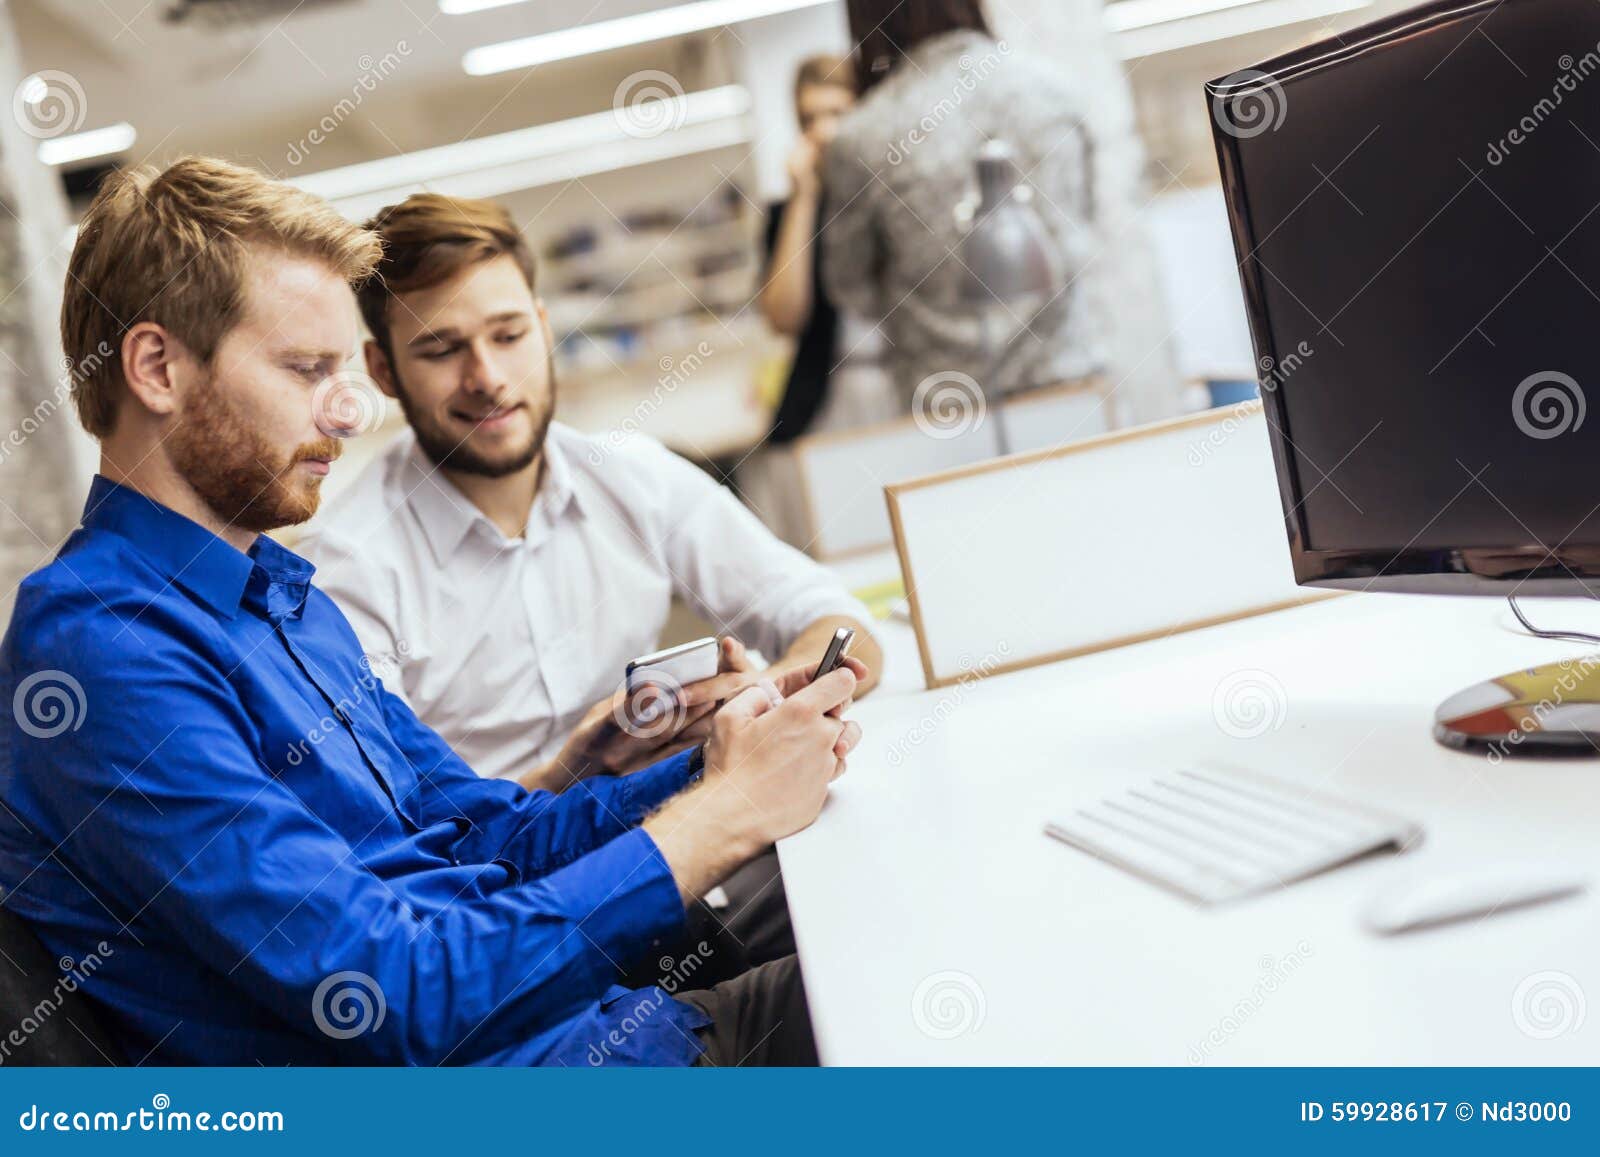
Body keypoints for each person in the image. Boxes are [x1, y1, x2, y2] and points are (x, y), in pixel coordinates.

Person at [0, 156, 864, 1067]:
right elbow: (392, 987)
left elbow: (487, 833)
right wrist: (728, 810)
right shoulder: (103, 652)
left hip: (612, 1036)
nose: (347, 413)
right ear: (155, 367)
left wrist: (720, 762)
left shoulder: (281, 602)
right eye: (305, 369)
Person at [296, 192, 883, 793]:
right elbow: (390, 815)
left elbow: (843, 626)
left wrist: (760, 697)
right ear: (384, 370)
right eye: (441, 349)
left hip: (675, 832)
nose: (488, 379)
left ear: (544, 329)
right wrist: (576, 774)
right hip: (498, 878)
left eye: (508, 335)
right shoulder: (347, 565)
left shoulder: (632, 477)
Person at [822, 0, 1103, 406]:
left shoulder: (862, 138)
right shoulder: (1053, 91)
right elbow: (1083, 227)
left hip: (948, 410)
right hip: (1074, 387)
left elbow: (850, 289)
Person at [740, 53, 899, 548]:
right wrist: (805, 199)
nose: (824, 131)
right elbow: (784, 319)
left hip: (908, 391)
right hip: (829, 405)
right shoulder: (789, 214)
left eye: (837, 113)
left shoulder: (898, 193)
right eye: (809, 119)